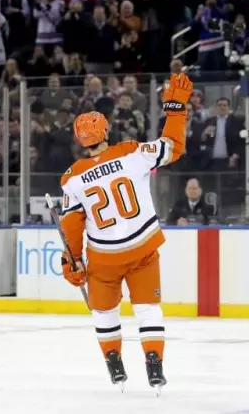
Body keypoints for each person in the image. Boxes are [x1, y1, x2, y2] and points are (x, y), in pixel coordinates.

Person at [59, 72, 193, 391]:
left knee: (104, 312)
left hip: (104, 257)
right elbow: (172, 147)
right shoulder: (131, 153)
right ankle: (154, 365)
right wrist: (175, 108)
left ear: (80, 140)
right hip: (143, 250)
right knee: (148, 308)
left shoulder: (72, 178)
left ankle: (115, 365)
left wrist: (72, 259)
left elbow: (72, 224)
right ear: (105, 130)